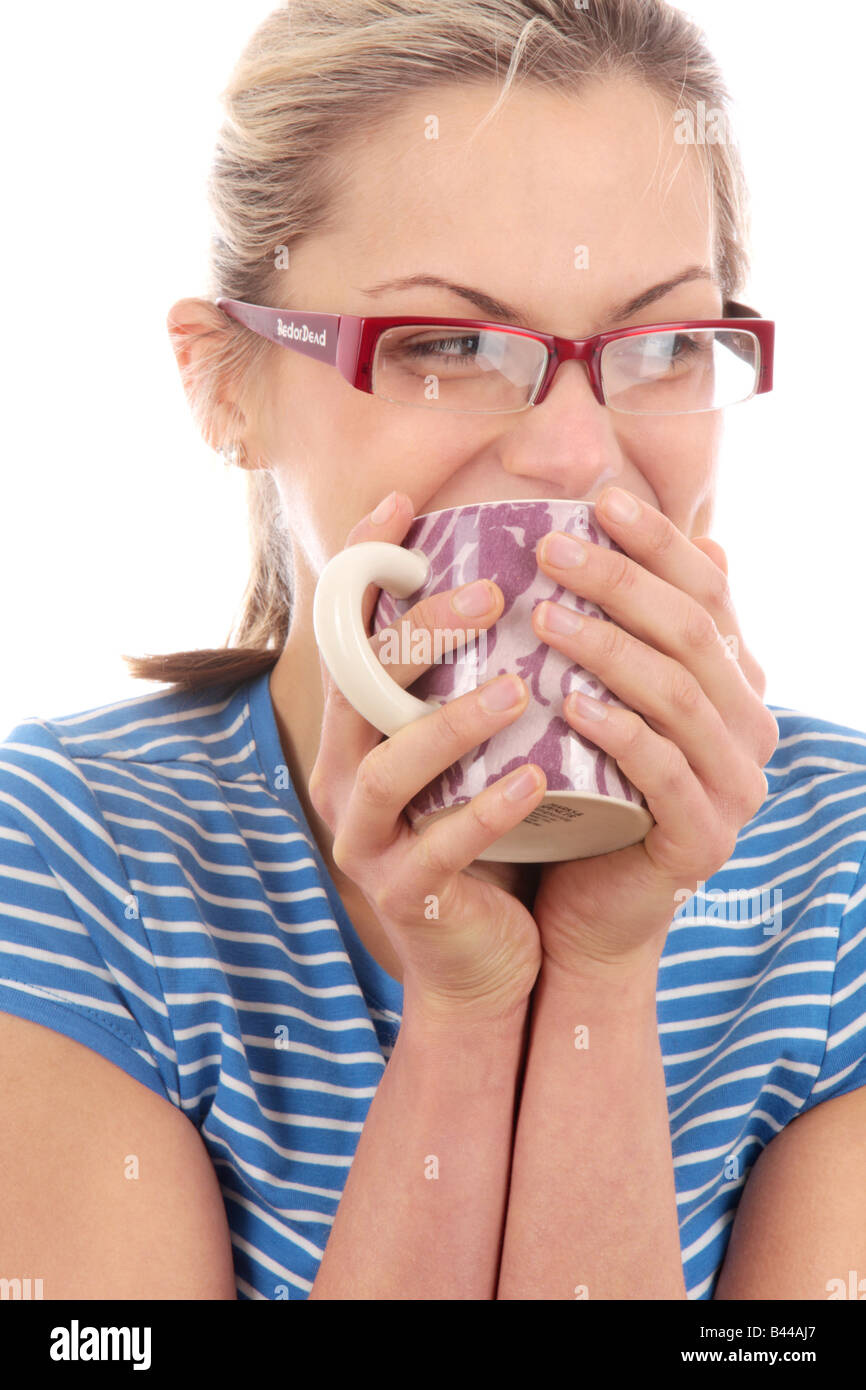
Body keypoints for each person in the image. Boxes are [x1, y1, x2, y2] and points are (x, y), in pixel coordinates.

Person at [1, 0, 864, 1302]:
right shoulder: (68, 851)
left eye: (659, 341)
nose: (575, 450)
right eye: (448, 345)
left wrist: (602, 974)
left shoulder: (840, 870)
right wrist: (461, 1026)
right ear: (225, 382)